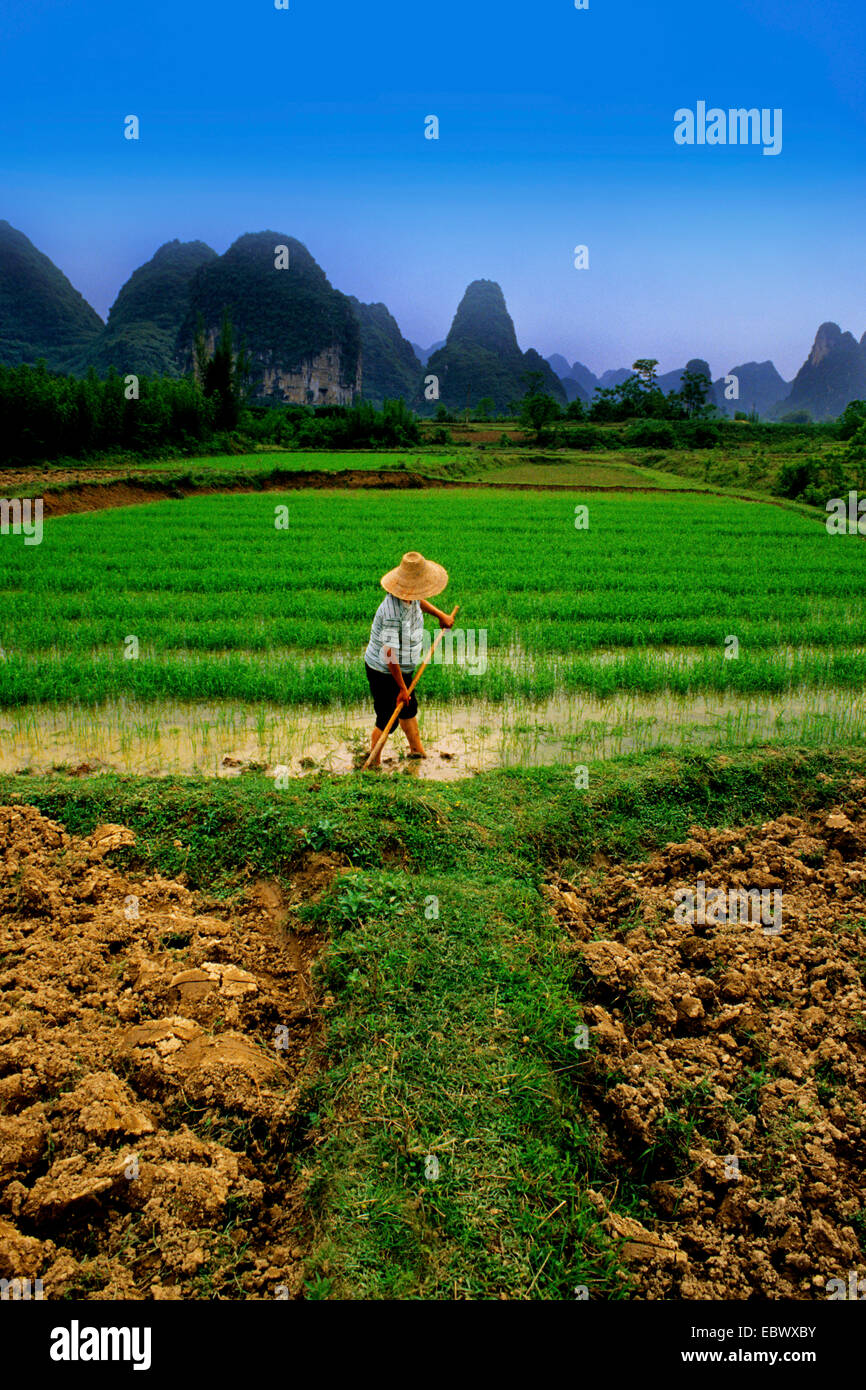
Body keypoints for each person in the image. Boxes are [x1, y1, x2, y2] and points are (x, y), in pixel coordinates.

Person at [364, 551, 453, 766]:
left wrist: (440, 615)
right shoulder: (392, 613)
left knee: (408, 708)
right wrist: (402, 688)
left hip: (402, 665)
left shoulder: (410, 597)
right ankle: (373, 763)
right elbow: (389, 655)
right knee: (387, 718)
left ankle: (416, 751)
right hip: (384, 670)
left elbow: (418, 602)